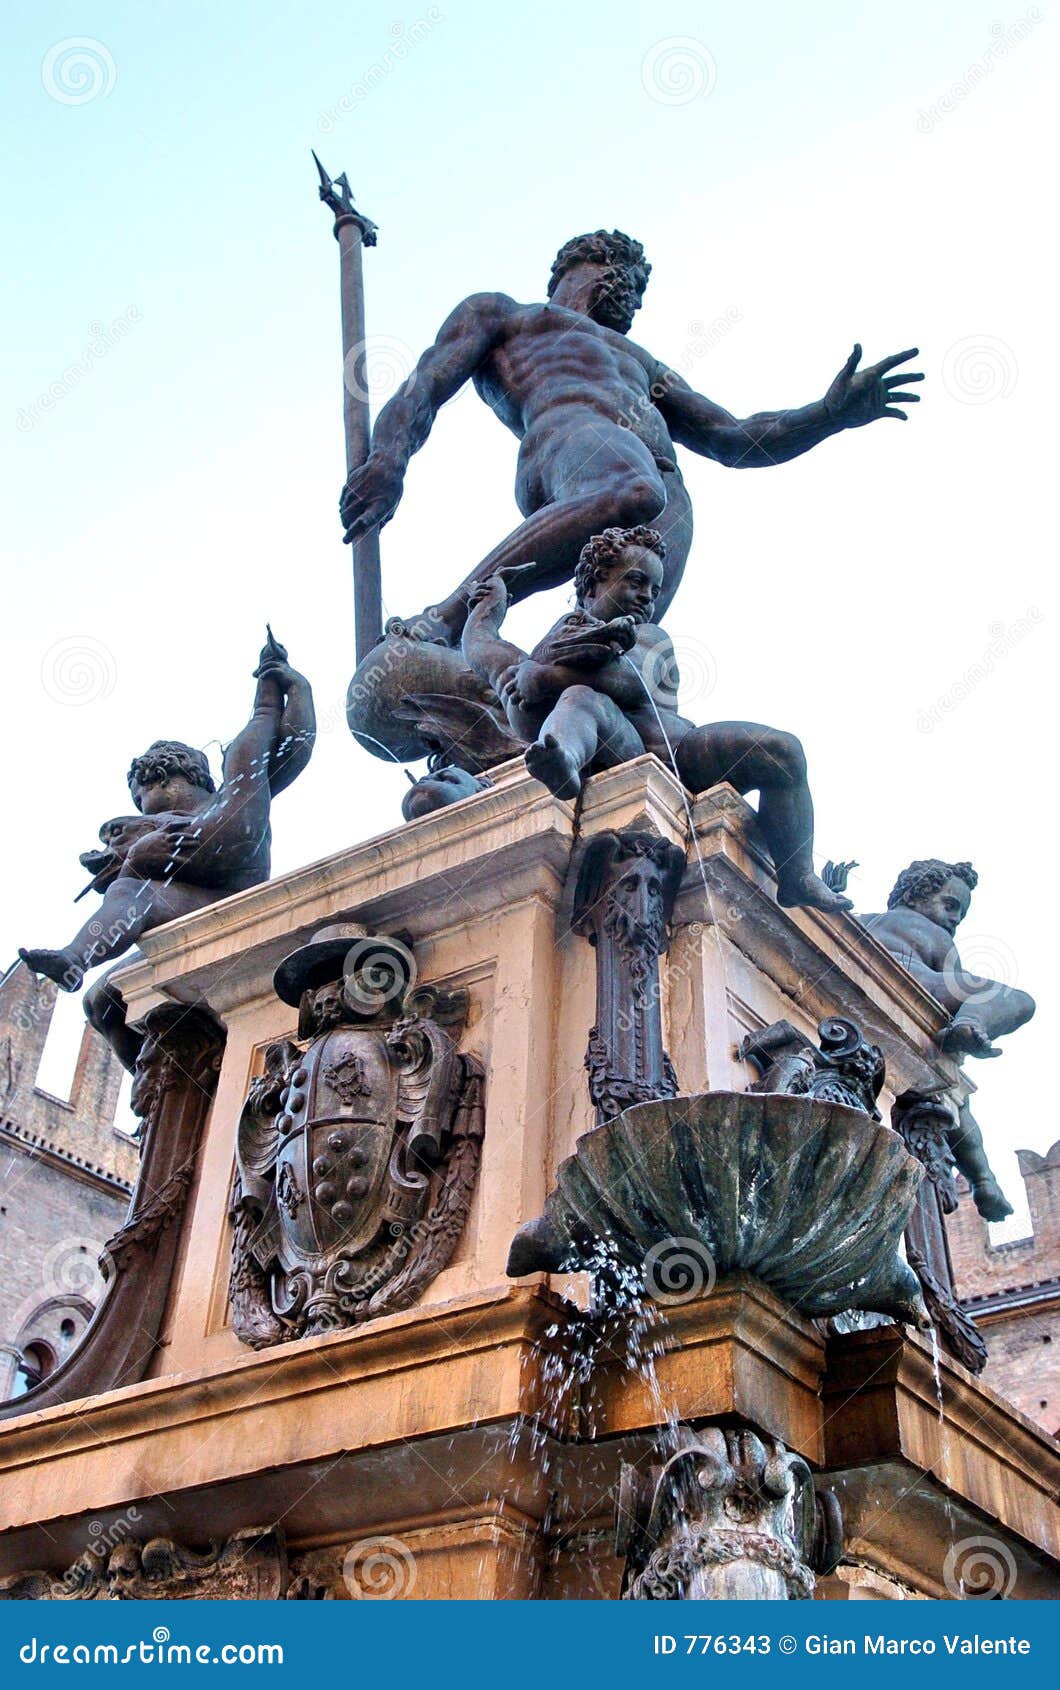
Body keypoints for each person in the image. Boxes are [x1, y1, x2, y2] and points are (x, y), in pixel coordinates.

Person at [340, 228, 921, 644]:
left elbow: (734, 436)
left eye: (640, 289)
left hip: (667, 493)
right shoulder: (506, 315)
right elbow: (425, 385)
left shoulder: (642, 360)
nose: (634, 293)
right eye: (626, 275)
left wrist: (828, 413)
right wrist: (390, 460)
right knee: (633, 488)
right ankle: (452, 613)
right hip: (575, 444)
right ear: (585, 264)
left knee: (624, 638)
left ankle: (548, 703)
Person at [461, 525, 849, 915]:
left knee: (783, 751)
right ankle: (561, 762)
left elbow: (629, 680)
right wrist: (491, 604)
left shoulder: (648, 635)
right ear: (595, 584)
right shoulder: (543, 650)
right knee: (579, 700)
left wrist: (541, 677)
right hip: (622, 746)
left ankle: (796, 873)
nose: (647, 596)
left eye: (654, 588)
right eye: (636, 581)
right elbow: (484, 651)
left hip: (681, 752)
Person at [19, 634, 315, 1067]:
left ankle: (79, 959)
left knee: (135, 891)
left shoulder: (237, 785)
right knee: (102, 1000)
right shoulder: (152, 835)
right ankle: (156, 1088)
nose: (144, 800)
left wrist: (296, 689)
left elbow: (293, 743)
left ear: (174, 777)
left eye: (149, 789)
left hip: (232, 899)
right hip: (188, 909)